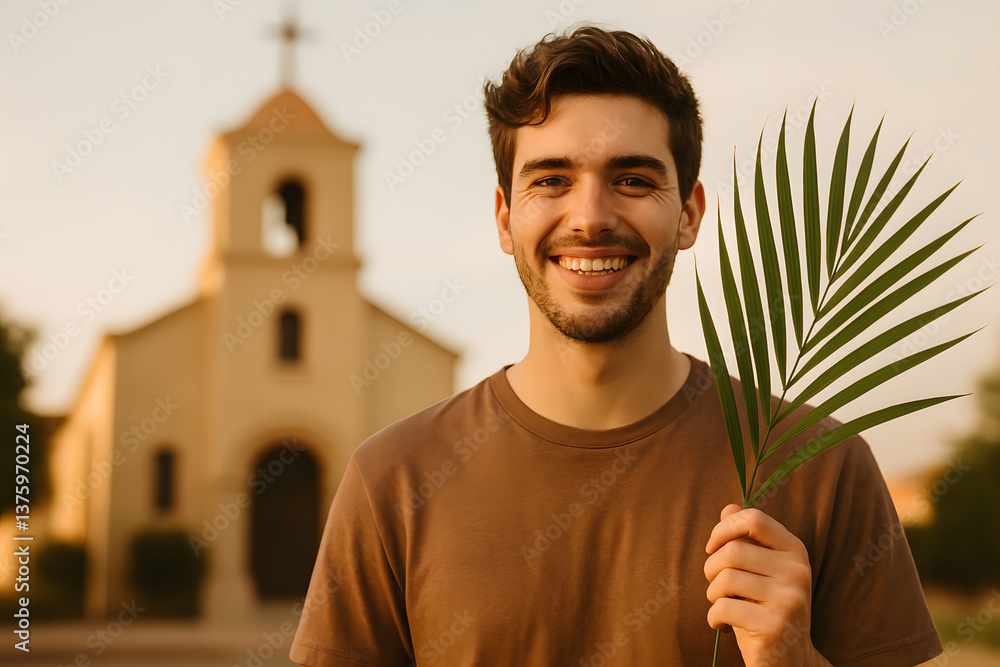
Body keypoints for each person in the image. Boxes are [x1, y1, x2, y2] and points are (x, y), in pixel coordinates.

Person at [290, 26, 943, 666]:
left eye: (632, 179)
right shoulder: (391, 484)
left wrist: (792, 660)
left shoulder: (822, 470)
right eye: (551, 180)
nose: (590, 216)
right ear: (503, 217)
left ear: (688, 214)